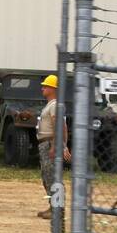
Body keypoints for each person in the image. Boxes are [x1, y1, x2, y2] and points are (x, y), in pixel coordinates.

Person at [36, 73, 70, 219]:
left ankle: (58, 210)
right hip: (47, 143)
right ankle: (53, 207)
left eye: (46, 86)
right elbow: (64, 127)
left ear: (52, 88)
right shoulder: (52, 105)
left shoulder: (55, 105)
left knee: (52, 177)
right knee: (47, 176)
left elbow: (59, 126)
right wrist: (64, 145)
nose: (42, 88)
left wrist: (56, 146)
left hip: (50, 142)